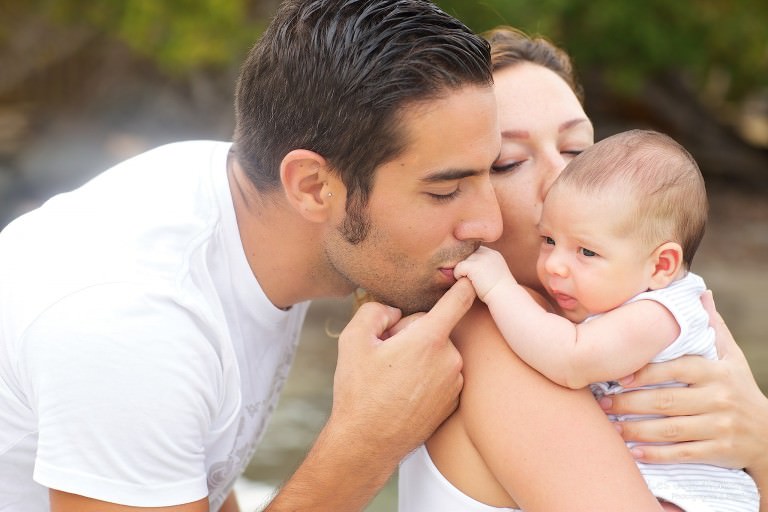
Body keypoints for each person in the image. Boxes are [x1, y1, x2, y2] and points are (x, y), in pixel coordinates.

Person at [0, 1, 504, 510]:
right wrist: (367, 442)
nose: (490, 223)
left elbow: (202, 474)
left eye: (495, 170)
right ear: (311, 187)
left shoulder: (236, 207)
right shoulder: (132, 324)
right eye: (444, 192)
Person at [399, 26, 768, 512]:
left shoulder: (637, 314)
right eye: (508, 162)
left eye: (579, 153)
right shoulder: (492, 331)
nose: (563, 180)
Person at [454, 129, 759, 510]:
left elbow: (570, 358)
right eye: (548, 240)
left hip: (688, 493)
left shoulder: (658, 314)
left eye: (586, 251)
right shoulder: (625, 298)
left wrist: (500, 289)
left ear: (661, 265)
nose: (555, 265)